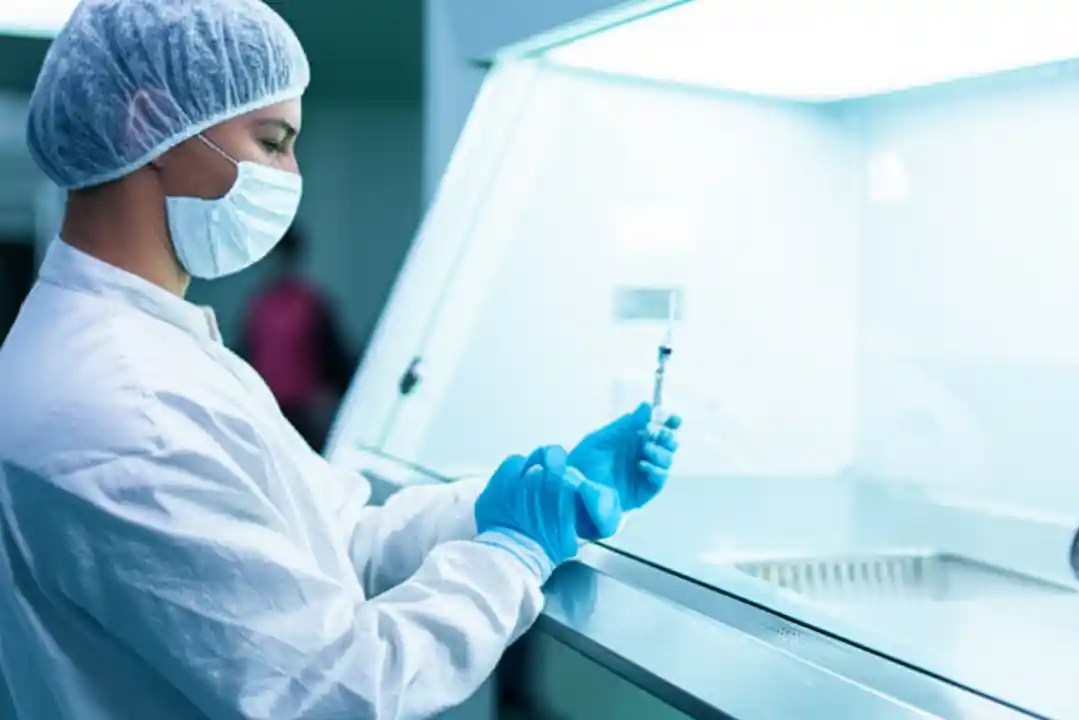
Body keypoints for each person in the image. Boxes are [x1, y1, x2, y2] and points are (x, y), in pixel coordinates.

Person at [0, 2, 683, 719]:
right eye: (271, 140)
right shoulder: (123, 406)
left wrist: (501, 507)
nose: (292, 175)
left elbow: (339, 545)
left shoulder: (154, 351)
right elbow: (337, 688)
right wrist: (512, 553)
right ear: (148, 123)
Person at [241, 227, 353, 451]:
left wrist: (334, 397)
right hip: (268, 407)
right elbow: (248, 354)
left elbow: (335, 355)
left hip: (305, 409)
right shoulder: (259, 305)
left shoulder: (311, 302)